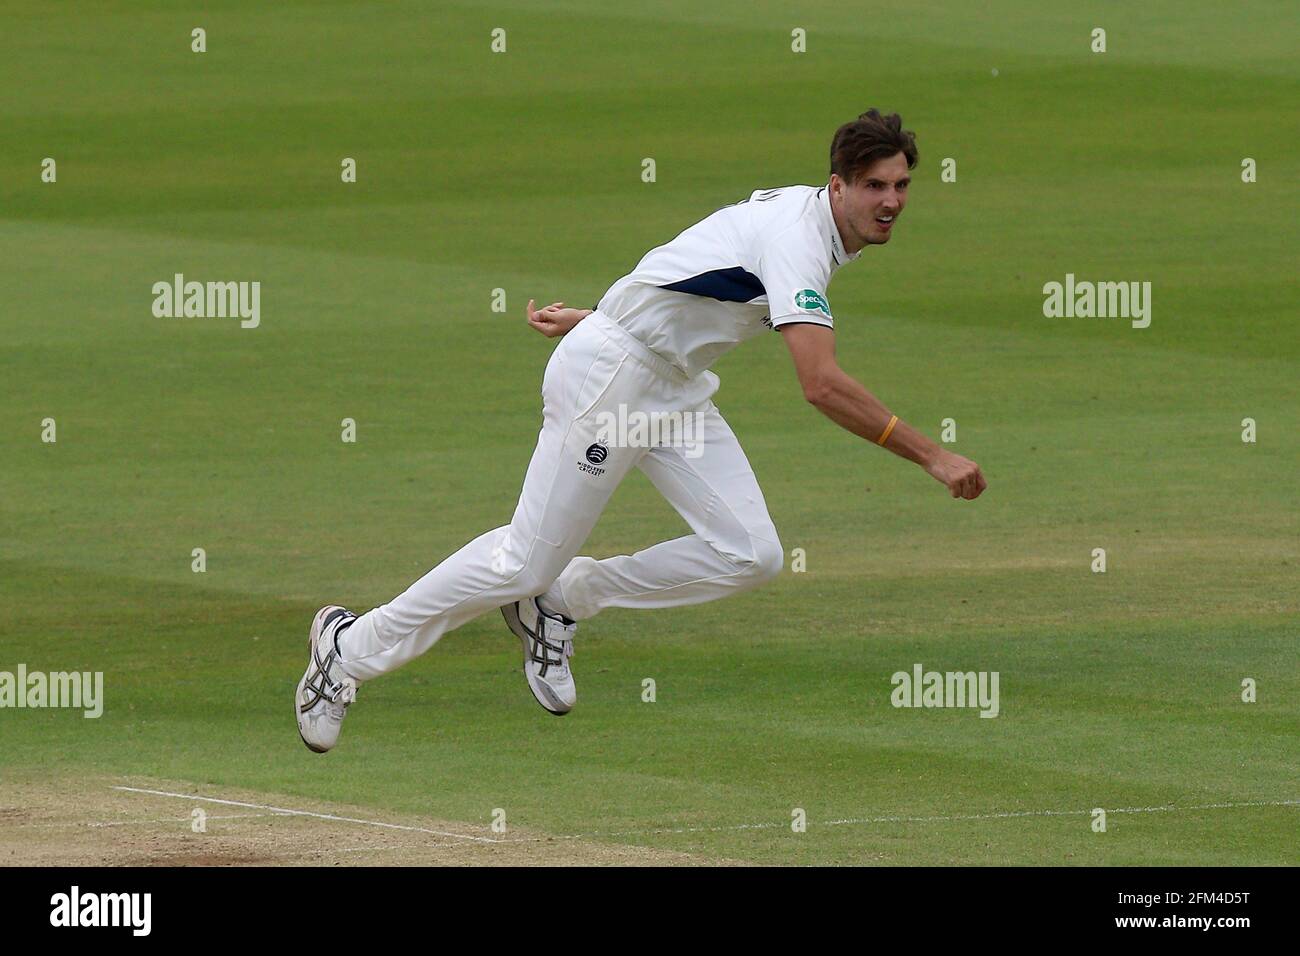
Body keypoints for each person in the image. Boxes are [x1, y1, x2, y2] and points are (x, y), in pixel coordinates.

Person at [296, 109, 987, 753]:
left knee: (752, 554)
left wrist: (604, 312)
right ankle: (347, 647)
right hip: (612, 381)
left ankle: (561, 602)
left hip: (673, 384)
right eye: (874, 186)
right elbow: (821, 385)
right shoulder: (797, 244)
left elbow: (694, 265)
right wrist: (931, 455)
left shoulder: (818, 224)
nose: (890, 200)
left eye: (900, 185)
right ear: (837, 184)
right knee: (521, 561)